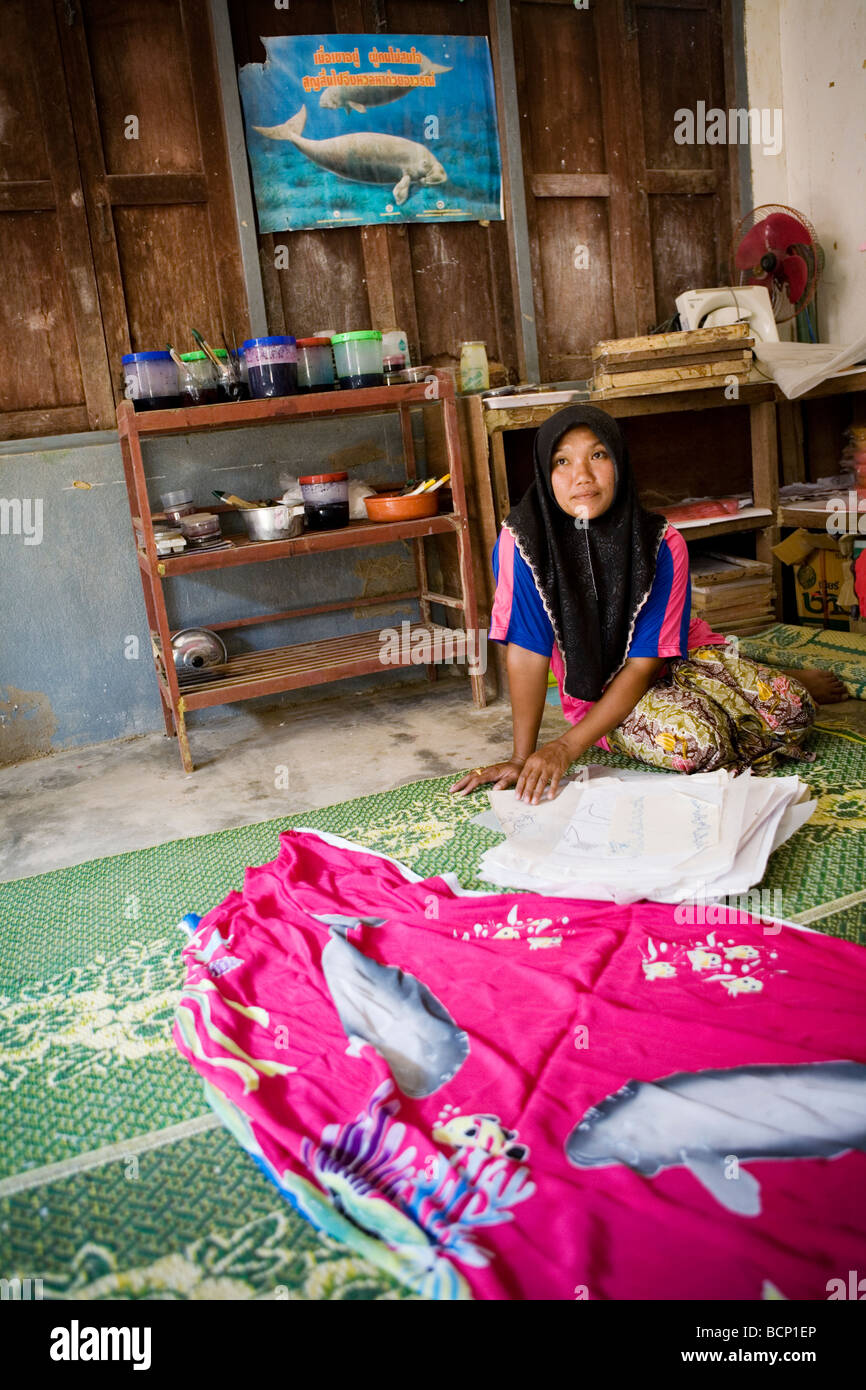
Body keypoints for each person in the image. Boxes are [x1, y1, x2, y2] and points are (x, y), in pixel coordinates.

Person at [451, 404, 845, 806]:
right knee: (699, 745)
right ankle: (744, 689)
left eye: (598, 455)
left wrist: (566, 749)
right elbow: (528, 649)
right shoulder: (522, 543)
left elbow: (645, 662)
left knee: (793, 710)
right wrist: (524, 755)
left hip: (677, 656)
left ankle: (770, 679)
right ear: (544, 472)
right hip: (601, 693)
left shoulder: (660, 542)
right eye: (562, 461)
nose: (582, 476)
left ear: (619, 461)